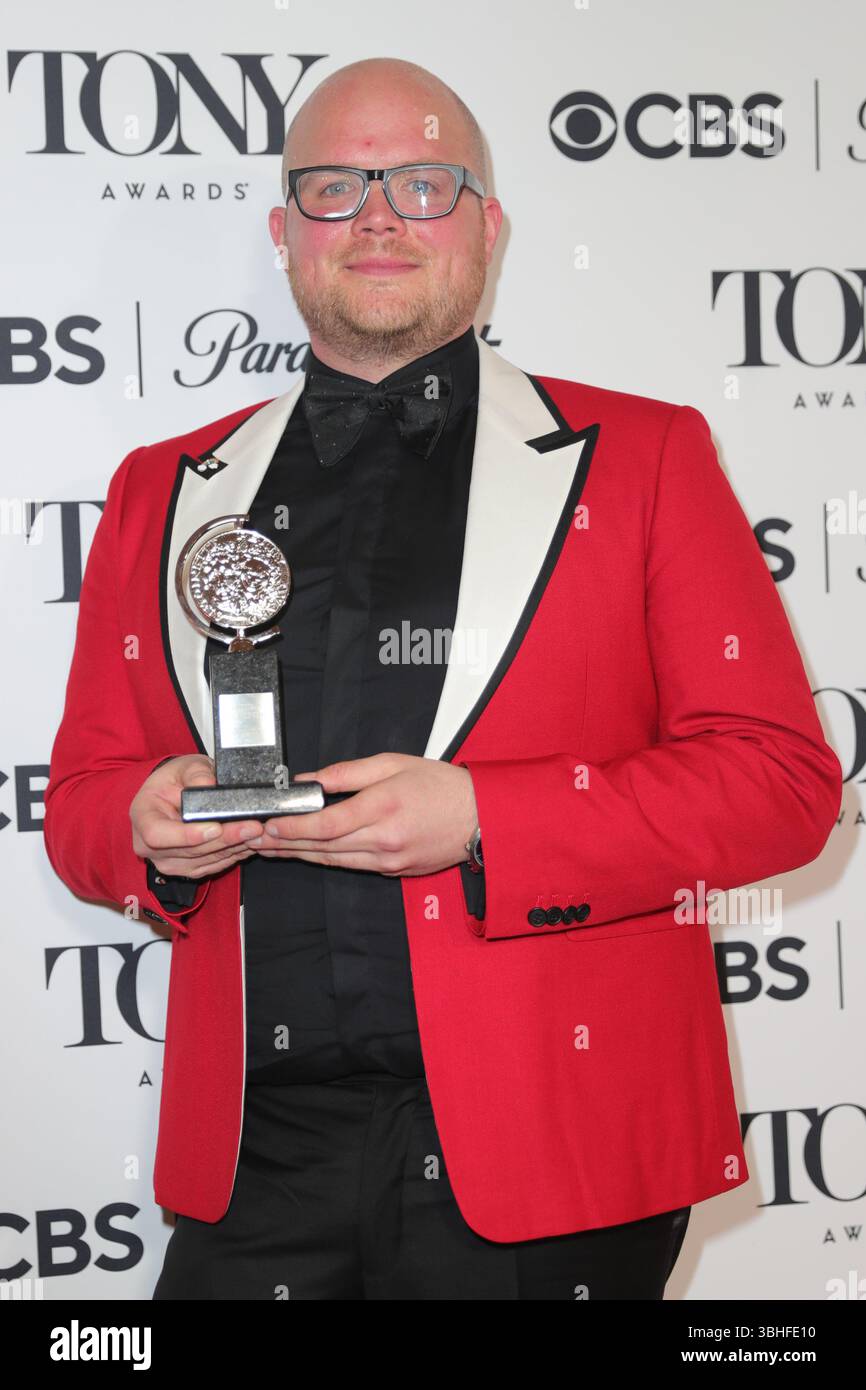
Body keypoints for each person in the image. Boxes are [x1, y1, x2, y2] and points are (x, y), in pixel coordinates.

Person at [43, 56, 842, 1301]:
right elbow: (86, 795)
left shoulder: (644, 457)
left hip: (551, 1153)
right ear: (281, 232)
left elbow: (780, 785)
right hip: (257, 1155)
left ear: (486, 227)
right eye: (334, 186)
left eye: (422, 182)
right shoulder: (165, 485)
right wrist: (145, 828)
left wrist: (487, 819)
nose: (375, 216)